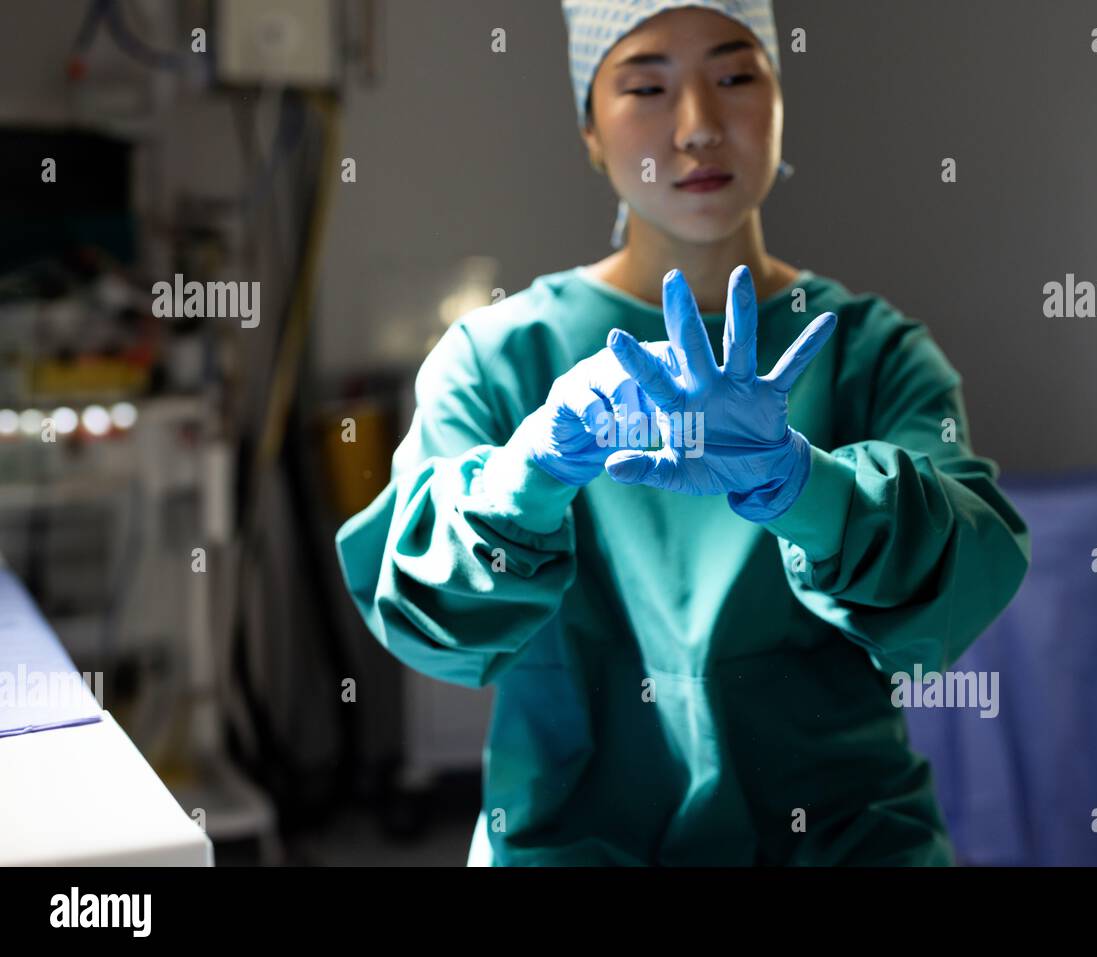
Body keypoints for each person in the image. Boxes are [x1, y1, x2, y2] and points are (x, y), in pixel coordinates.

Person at [335, 0, 1031, 866]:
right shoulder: (498, 358)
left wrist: (806, 488)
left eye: (736, 76)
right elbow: (425, 613)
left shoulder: (874, 352)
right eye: (647, 86)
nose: (698, 127)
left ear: (780, 100)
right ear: (590, 131)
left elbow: (968, 581)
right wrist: (531, 477)